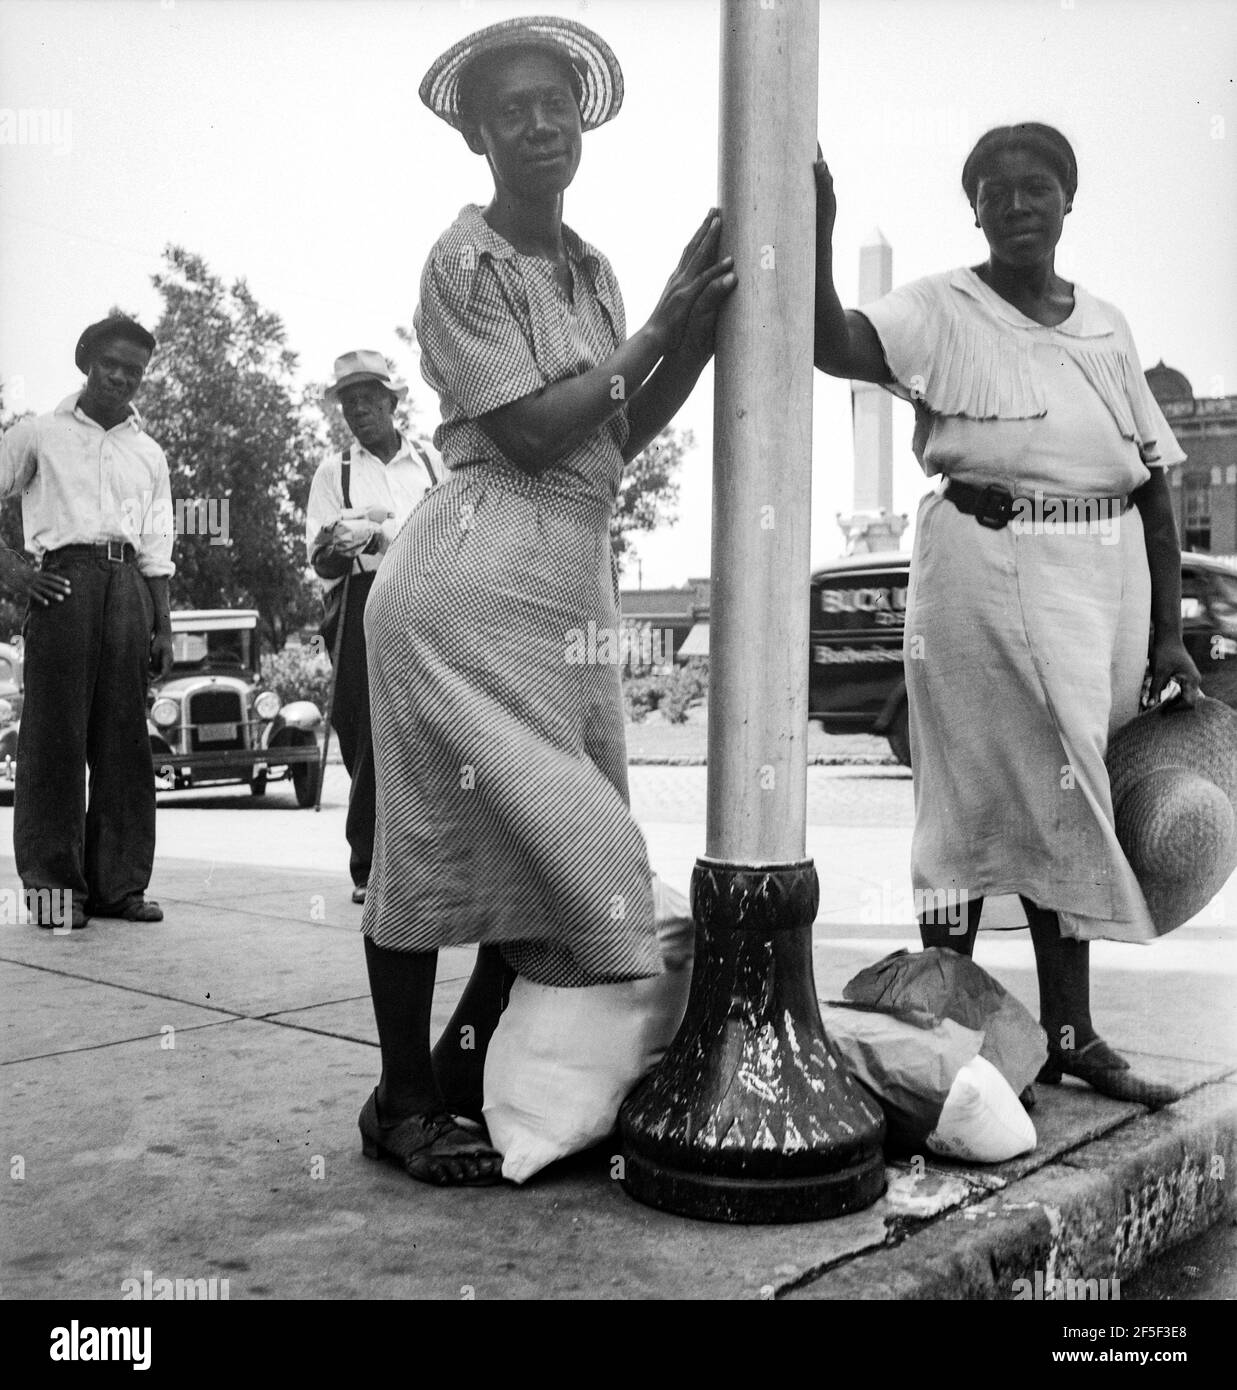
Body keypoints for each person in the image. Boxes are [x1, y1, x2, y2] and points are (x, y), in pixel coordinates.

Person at [357, 15, 735, 1185]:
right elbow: (525, 430)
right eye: (508, 108)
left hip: (565, 587)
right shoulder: (460, 262)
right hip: (461, 587)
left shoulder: (595, 271)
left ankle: (460, 1064)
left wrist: (699, 329)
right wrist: (669, 322)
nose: (536, 125)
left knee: (552, 861)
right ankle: (403, 1097)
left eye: (552, 102)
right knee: (431, 850)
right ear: (474, 133)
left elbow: (611, 430)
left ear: (582, 119)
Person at [813, 124, 1201, 1107]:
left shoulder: (1106, 326)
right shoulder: (939, 305)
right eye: (996, 190)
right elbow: (833, 344)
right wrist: (815, 228)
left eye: (1038, 188)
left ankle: (1070, 1034)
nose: (1018, 204)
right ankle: (950, 1037)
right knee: (962, 802)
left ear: (1068, 202)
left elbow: (1155, 486)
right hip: (973, 571)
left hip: (1092, 581)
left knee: (1072, 796)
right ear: (973, 208)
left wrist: (1165, 636)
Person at [0, 314, 174, 930]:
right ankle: (52, 891)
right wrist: (17, 574)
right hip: (63, 585)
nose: (122, 377)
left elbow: (156, 546)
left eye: (135, 369)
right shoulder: (38, 434)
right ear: (86, 362)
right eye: (112, 363)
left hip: (128, 589)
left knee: (125, 742)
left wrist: (164, 626)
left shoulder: (148, 452)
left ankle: (119, 888)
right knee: (54, 740)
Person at [306, 350, 440, 904]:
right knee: (362, 731)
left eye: (368, 398)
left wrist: (397, 538)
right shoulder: (335, 471)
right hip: (363, 600)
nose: (358, 410)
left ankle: (430, 861)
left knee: (432, 728)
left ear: (392, 400)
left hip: (431, 600)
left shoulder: (435, 462)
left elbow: (461, 530)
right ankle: (370, 864)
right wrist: (341, 544)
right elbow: (320, 559)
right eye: (348, 402)